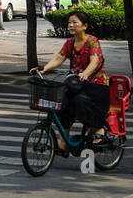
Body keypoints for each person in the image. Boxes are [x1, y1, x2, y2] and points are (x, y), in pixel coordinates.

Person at [30, 10, 110, 152]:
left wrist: (85, 73)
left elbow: (95, 61)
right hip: (77, 84)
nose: (71, 25)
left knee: (80, 101)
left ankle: (98, 128)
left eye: (75, 22)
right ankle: (64, 143)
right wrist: (44, 69)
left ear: (84, 26)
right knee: (61, 105)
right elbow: (59, 58)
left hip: (96, 84)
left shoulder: (92, 41)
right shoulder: (70, 42)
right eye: (69, 23)